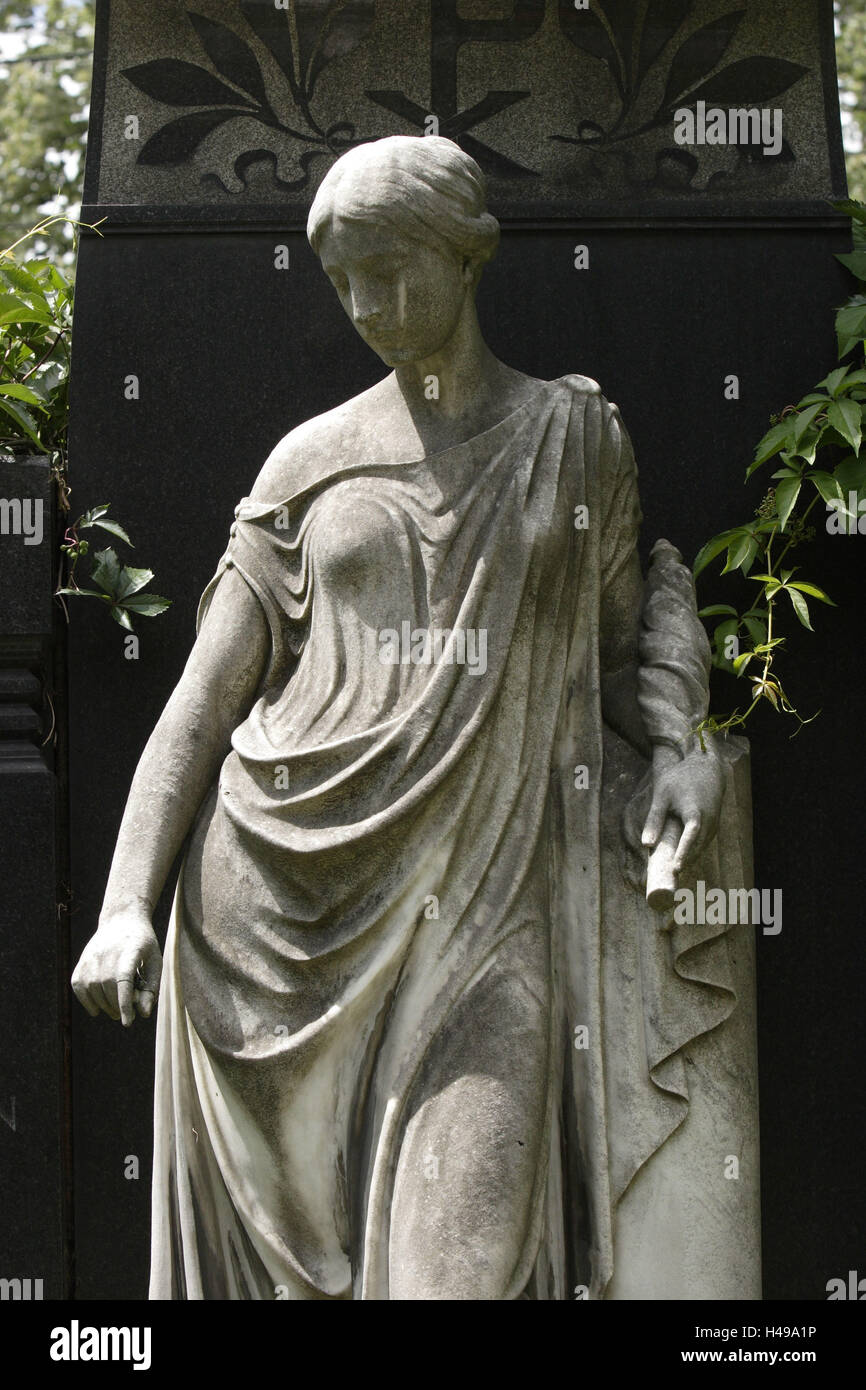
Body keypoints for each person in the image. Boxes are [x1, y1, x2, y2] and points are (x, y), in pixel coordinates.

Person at [72, 136, 746, 1301]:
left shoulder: (573, 441)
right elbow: (201, 701)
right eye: (342, 282)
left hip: (485, 927)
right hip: (272, 926)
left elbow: (611, 661)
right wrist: (127, 904)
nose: (369, 306)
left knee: (457, 1277)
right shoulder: (308, 464)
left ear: (466, 254)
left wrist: (680, 751)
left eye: (391, 270)